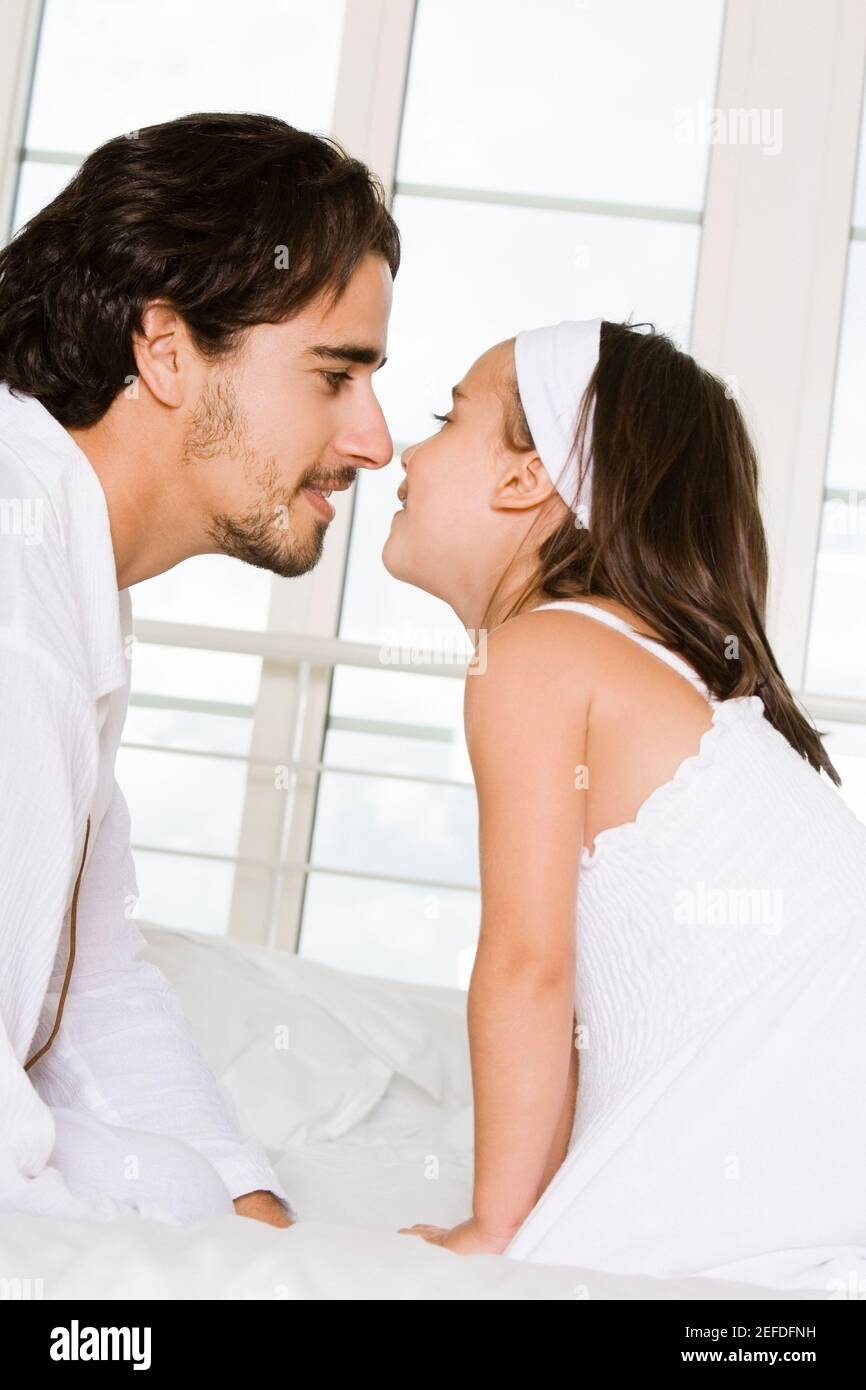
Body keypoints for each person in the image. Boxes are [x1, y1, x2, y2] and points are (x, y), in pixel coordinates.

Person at [391, 318, 866, 1292]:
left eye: (449, 417)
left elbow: (528, 966)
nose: (405, 445)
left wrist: (494, 1228)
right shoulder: (638, 669)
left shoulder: (537, 653)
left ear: (525, 478)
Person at [0, 112, 398, 1227]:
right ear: (164, 348)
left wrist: (244, 1211)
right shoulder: (16, 604)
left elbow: (91, 976)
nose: (374, 440)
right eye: (334, 374)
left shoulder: (62, 561)